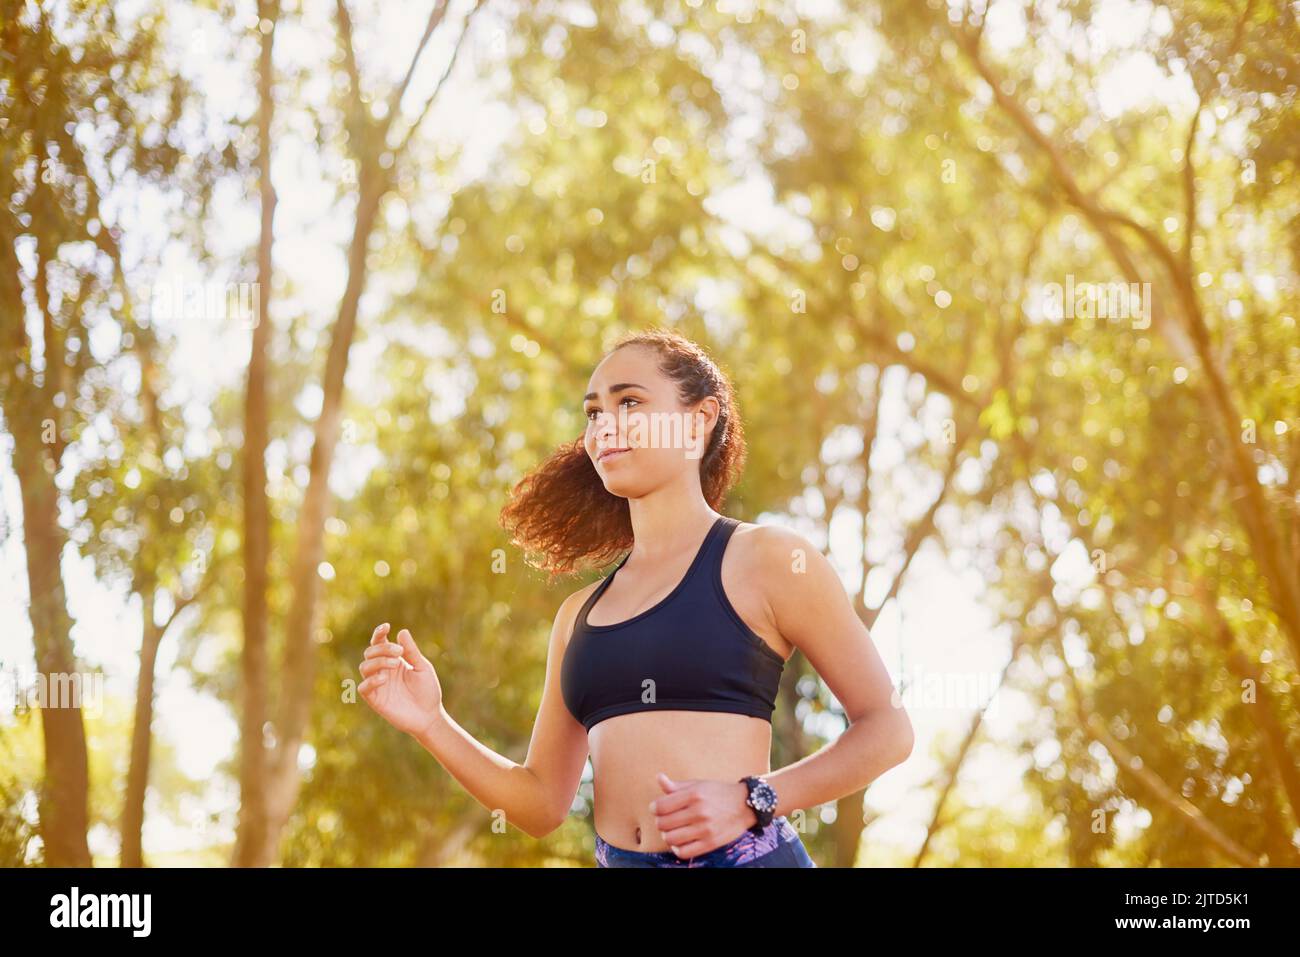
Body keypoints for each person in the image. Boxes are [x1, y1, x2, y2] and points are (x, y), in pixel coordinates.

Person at [358, 327, 914, 867]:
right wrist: (433, 724)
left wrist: (752, 798)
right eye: (594, 412)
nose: (604, 425)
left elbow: (888, 730)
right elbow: (541, 805)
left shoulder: (768, 560)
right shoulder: (578, 616)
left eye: (629, 402)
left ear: (698, 421)